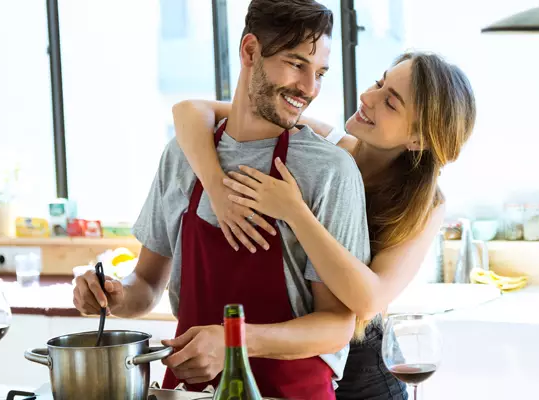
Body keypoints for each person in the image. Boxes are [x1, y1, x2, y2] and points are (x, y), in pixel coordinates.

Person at [73, 1, 371, 399]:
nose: (310, 88)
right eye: (296, 64)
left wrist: (234, 342)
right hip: (190, 393)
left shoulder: (330, 170)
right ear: (250, 51)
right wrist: (114, 295)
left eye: (319, 73)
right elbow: (145, 283)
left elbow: (338, 324)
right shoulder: (183, 155)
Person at [171, 51, 477, 399]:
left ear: (418, 140)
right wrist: (215, 187)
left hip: (364, 378)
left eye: (390, 102)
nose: (367, 97)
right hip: (291, 362)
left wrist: (296, 213)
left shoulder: (425, 204)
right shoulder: (319, 143)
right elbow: (190, 111)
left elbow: (369, 301)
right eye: (379, 83)